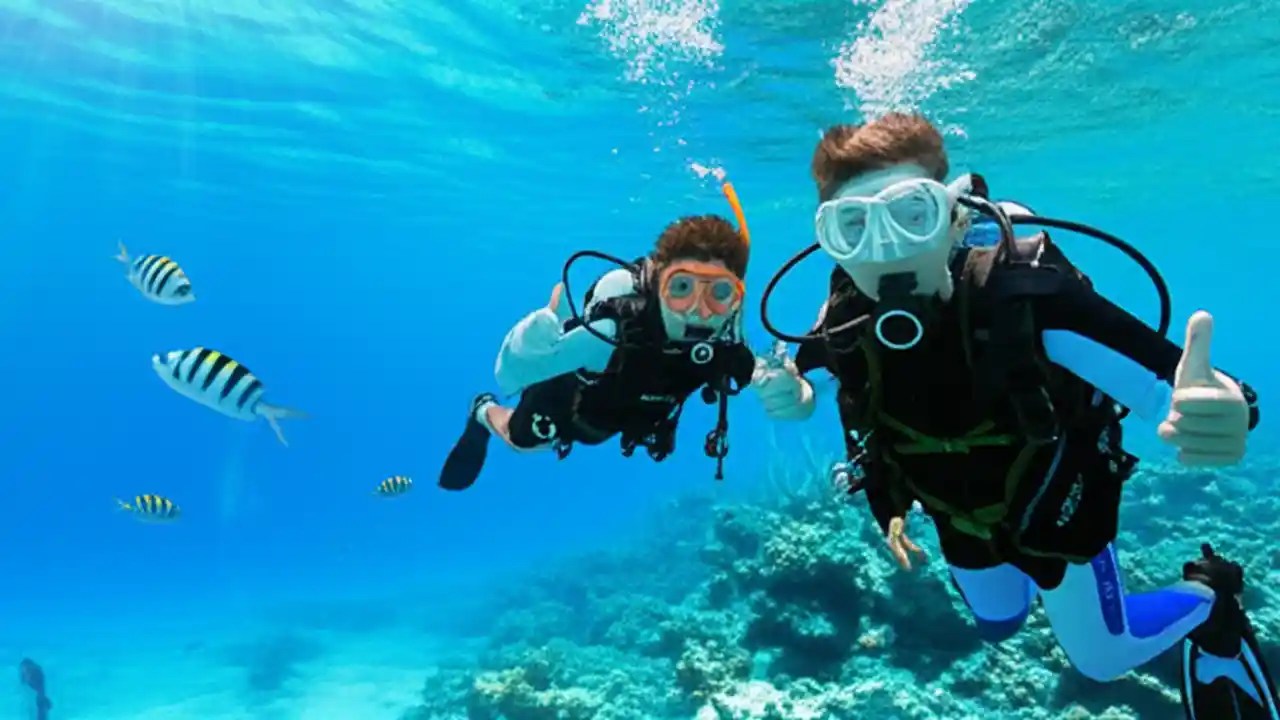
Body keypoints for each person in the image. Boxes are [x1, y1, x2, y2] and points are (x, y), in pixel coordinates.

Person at [752, 112, 1277, 719]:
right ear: (831, 244)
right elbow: (809, 374)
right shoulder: (847, 313)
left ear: (954, 219)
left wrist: (1230, 408)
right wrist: (795, 397)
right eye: (854, 227)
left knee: (1101, 659)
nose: (887, 246)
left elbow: (1174, 386)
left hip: (1056, 511)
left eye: (912, 214)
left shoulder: (1027, 298)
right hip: (958, 521)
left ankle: (1211, 597)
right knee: (999, 623)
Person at [440, 187, 809, 491]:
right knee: (523, 442)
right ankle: (482, 412)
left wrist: (793, 393)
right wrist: (527, 344)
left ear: (735, 300)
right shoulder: (612, 333)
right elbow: (512, 376)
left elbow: (780, 388)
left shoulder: (726, 343)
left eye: (720, 293)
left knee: (594, 433)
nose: (698, 310)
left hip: (623, 419)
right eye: (682, 288)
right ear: (658, 286)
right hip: (572, 406)